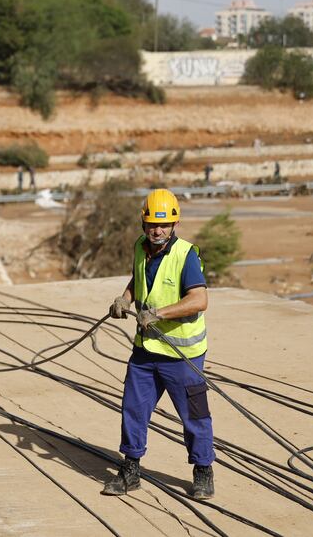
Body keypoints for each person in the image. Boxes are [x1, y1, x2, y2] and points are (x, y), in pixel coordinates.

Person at [103, 188, 214, 501]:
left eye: (164, 225)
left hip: (182, 357)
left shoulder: (186, 255)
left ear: (175, 223)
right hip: (146, 351)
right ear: (143, 223)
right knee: (133, 410)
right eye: (152, 224)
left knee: (195, 417)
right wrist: (124, 300)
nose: (158, 230)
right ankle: (130, 469)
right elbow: (139, 281)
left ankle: (203, 470)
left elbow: (199, 299)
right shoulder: (141, 247)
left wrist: (158, 313)